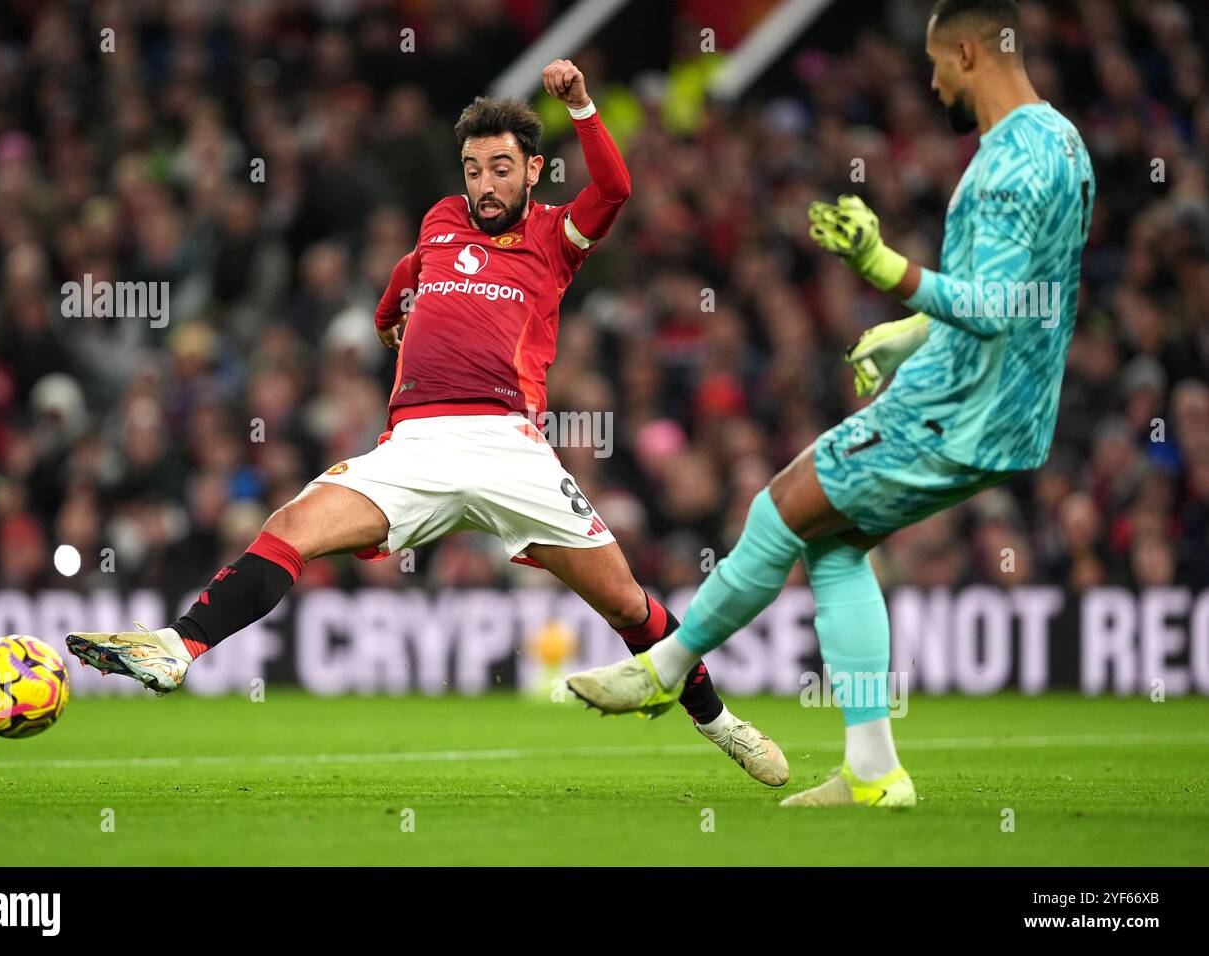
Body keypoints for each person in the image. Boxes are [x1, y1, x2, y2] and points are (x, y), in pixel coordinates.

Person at [67, 60, 787, 788]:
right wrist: (387, 320)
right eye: (474, 168)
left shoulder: (552, 237)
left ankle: (720, 723)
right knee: (290, 526)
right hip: (415, 444)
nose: (485, 184)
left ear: (533, 171)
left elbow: (616, 188)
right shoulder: (441, 220)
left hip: (508, 448)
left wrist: (581, 105)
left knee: (629, 604)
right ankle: (176, 647)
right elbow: (409, 274)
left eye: (501, 168)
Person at [567, 0, 1094, 808]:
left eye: (934, 64)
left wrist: (884, 266)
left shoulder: (1012, 164)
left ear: (966, 53)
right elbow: (1034, 301)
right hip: (1009, 409)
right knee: (832, 541)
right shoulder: (1062, 141)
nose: (929, 81)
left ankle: (666, 668)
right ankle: (875, 773)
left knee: (779, 507)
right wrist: (909, 334)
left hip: (960, 406)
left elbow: (992, 305)